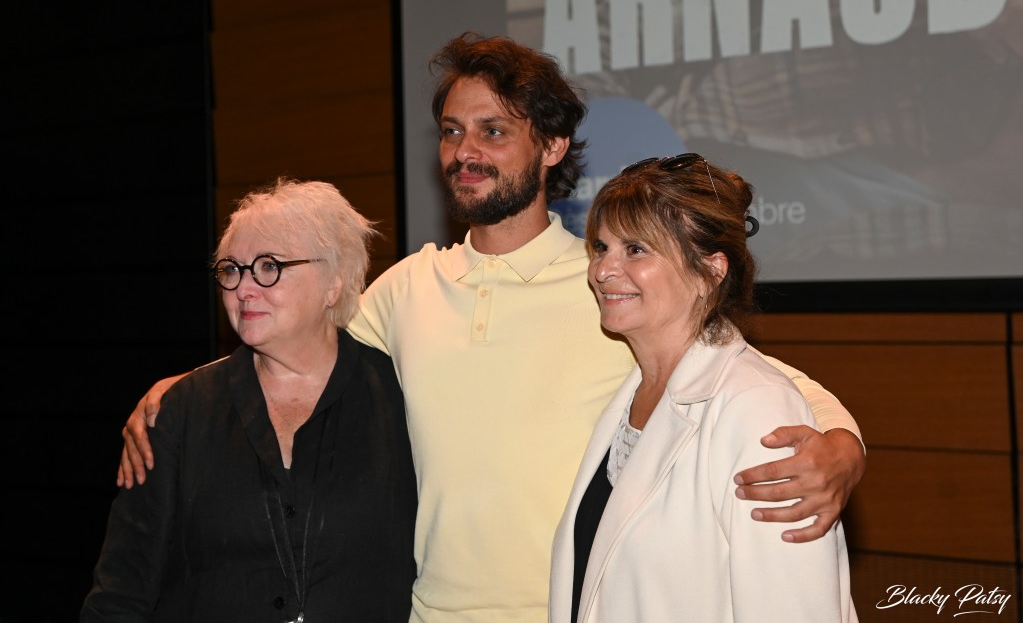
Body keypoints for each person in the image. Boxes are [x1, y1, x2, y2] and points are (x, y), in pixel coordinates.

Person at [116, 33, 865, 623]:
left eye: (491, 130)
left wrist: (841, 448)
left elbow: (766, 383)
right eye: (450, 131)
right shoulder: (406, 288)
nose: (463, 152)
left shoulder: (608, 284)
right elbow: (300, 349)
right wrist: (175, 390)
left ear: (550, 147)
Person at [82, 178, 417, 622]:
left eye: (269, 266)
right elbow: (120, 594)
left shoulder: (398, 396)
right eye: (232, 270)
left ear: (334, 284)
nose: (244, 288)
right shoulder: (180, 412)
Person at [548, 154, 857, 623]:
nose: (602, 270)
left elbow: (795, 609)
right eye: (601, 246)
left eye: (635, 249)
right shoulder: (632, 391)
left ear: (710, 271)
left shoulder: (757, 411)